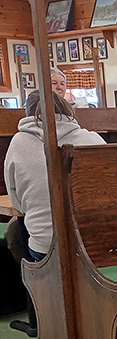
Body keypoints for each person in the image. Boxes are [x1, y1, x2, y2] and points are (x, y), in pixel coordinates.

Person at [4, 91, 106, 263]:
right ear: (67, 109)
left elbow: (17, 204)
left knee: (16, 231)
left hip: (44, 247)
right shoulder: (92, 139)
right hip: (96, 243)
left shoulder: (18, 143)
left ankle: (34, 286)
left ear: (28, 113)